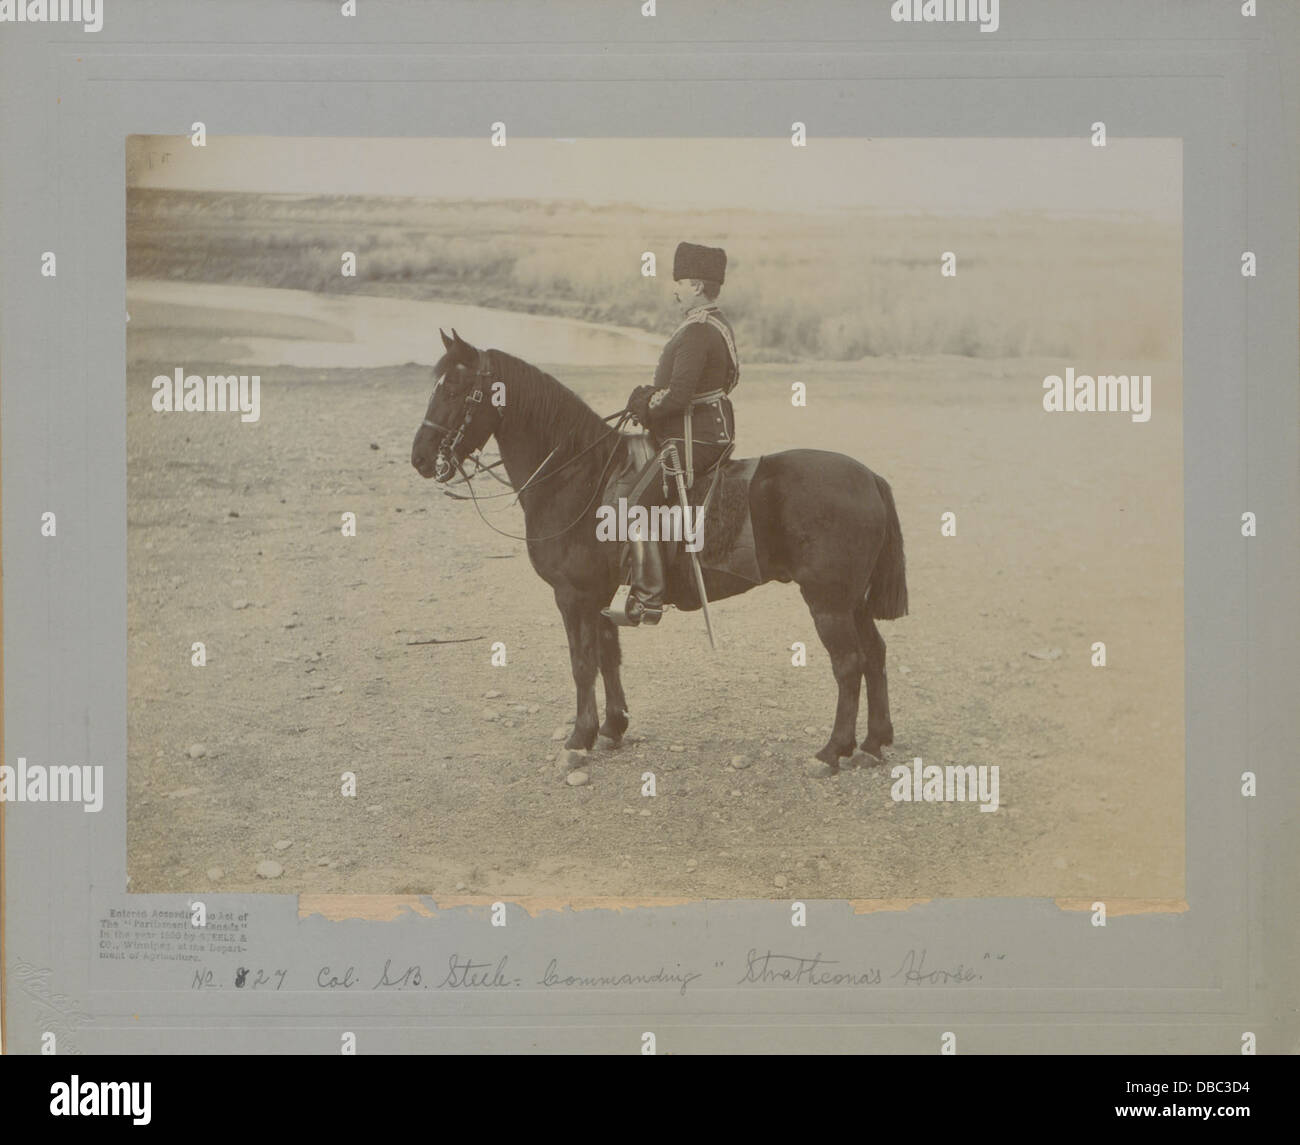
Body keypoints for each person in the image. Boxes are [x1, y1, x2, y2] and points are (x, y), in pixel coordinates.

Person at [601, 241, 741, 627]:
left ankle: (647, 598)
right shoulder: (713, 323)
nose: (674, 289)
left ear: (696, 285)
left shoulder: (697, 331)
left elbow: (679, 396)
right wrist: (647, 399)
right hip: (700, 430)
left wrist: (646, 404)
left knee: (631, 503)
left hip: (694, 439)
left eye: (678, 282)